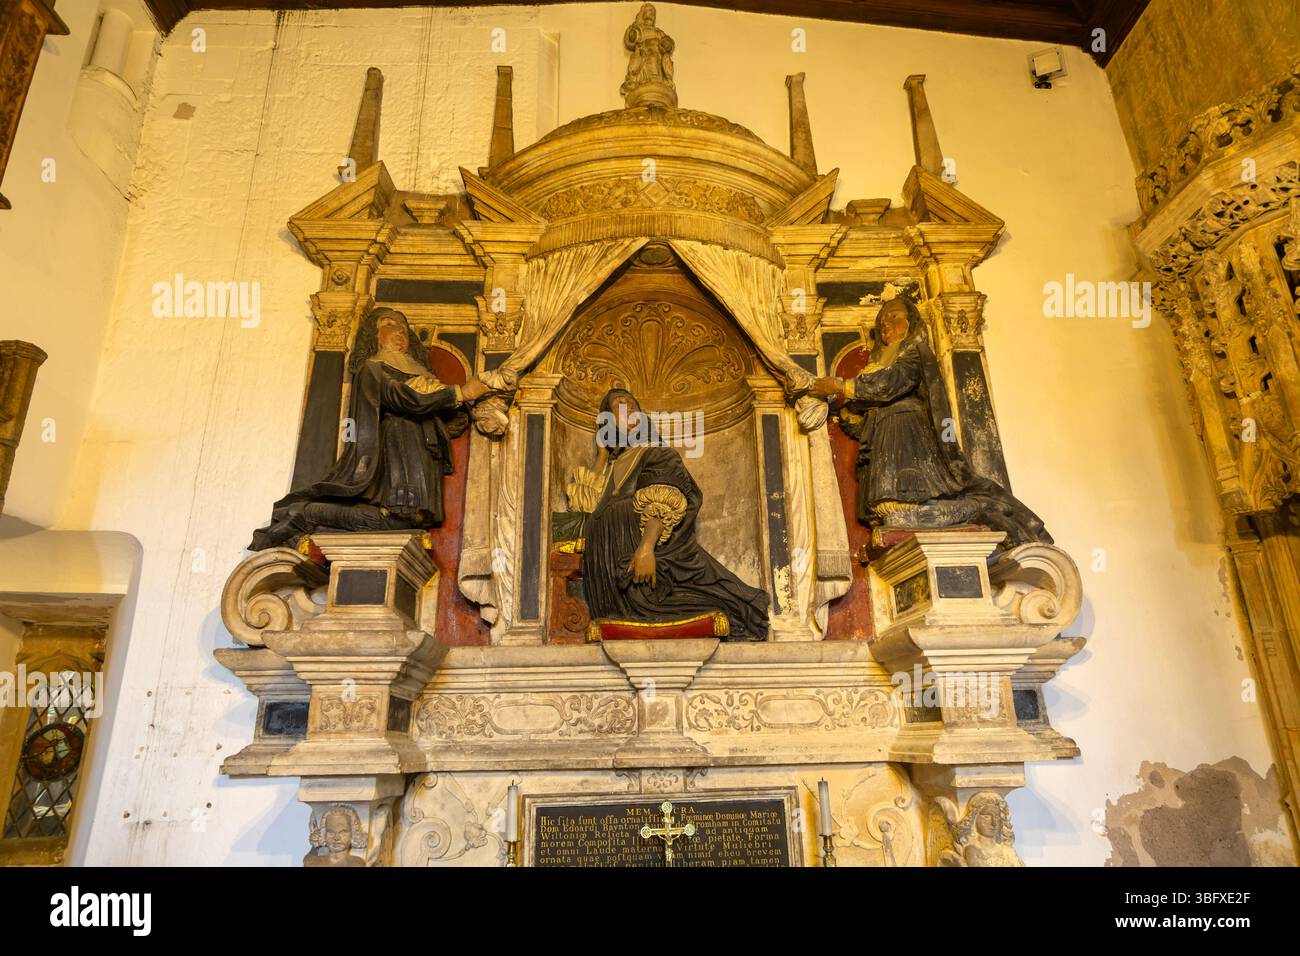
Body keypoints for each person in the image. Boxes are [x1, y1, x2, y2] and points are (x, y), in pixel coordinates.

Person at [808, 297, 1049, 546]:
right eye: (881, 324)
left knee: (904, 503)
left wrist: (842, 385)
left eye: (893, 317)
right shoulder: (877, 369)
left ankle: (984, 508)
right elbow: (865, 429)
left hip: (908, 436)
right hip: (886, 443)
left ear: (911, 322)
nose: (886, 327)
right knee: (886, 508)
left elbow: (892, 382)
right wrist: (849, 414)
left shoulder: (914, 352)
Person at [249, 307, 489, 551]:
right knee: (400, 517)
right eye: (388, 325)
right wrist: (460, 392)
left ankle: (306, 514)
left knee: (413, 518)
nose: (399, 332)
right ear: (373, 335)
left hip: (422, 454)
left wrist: (470, 405)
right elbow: (403, 396)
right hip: (399, 449)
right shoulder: (374, 368)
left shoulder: (422, 377)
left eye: (404, 329)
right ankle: (306, 514)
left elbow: (449, 421)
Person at [580, 389, 769, 641]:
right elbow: (584, 507)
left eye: (632, 404)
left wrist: (646, 548)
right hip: (606, 577)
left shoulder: (657, 454)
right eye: (618, 404)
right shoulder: (609, 469)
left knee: (675, 607)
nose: (628, 408)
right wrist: (603, 454)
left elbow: (663, 503)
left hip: (642, 563)